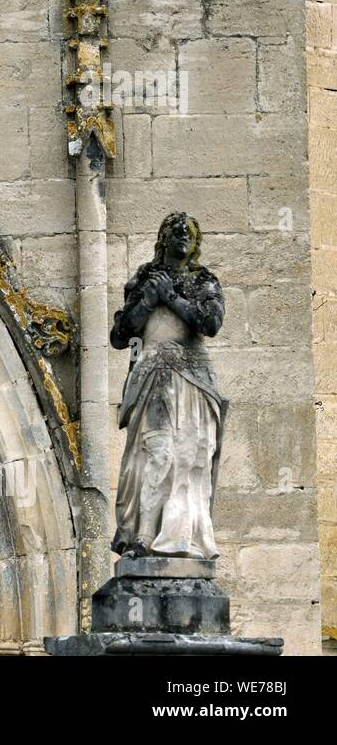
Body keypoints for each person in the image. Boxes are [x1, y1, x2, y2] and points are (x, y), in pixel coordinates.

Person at [109, 212, 227, 560]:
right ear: (162, 238)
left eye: (187, 231)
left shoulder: (203, 280)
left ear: (195, 242)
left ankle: (180, 538)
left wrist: (170, 297)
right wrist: (148, 298)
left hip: (192, 380)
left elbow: (211, 322)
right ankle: (142, 536)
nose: (180, 235)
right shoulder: (145, 278)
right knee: (155, 454)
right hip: (153, 376)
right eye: (173, 230)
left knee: (189, 458)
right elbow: (120, 335)